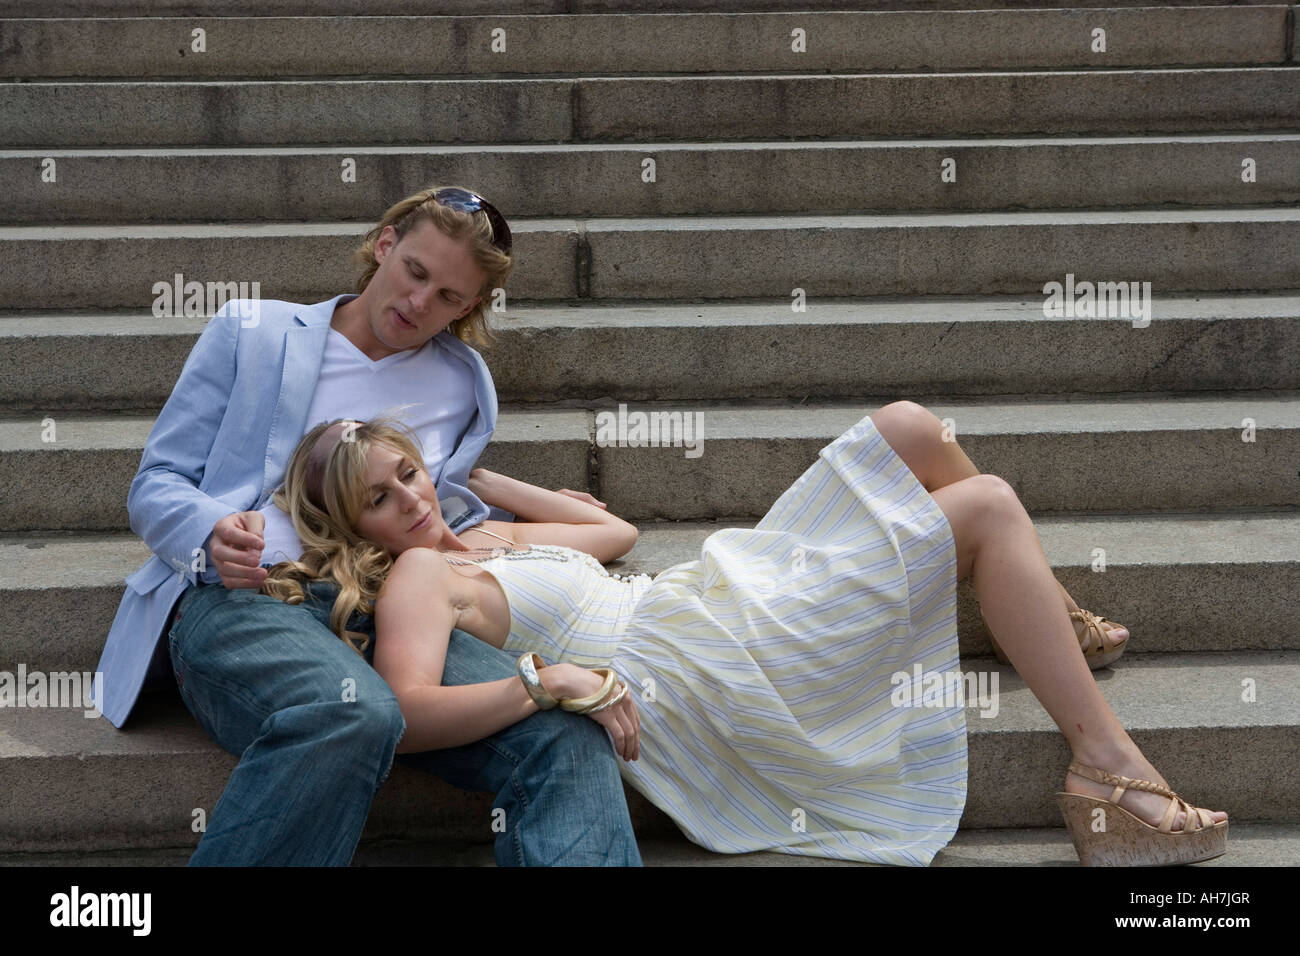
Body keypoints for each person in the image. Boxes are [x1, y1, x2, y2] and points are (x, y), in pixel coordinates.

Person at [263, 411, 1229, 867]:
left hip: (705, 600)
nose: (409, 500)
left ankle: (1042, 608)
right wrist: (542, 683)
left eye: (408, 473)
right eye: (378, 502)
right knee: (980, 505)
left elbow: (613, 536)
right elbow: (411, 711)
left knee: (909, 429)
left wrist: (483, 485)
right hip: (699, 666)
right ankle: (1105, 772)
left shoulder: (475, 537)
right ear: (355, 531)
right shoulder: (423, 580)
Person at [91, 185, 642, 866]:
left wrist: (505, 510)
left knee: (564, 729)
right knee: (352, 710)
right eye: (415, 272)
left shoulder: (463, 381)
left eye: (448, 297)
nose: (419, 304)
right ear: (385, 245)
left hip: (395, 611)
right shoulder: (255, 330)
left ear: (469, 307)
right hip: (255, 597)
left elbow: (438, 505)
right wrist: (208, 535)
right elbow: (157, 482)